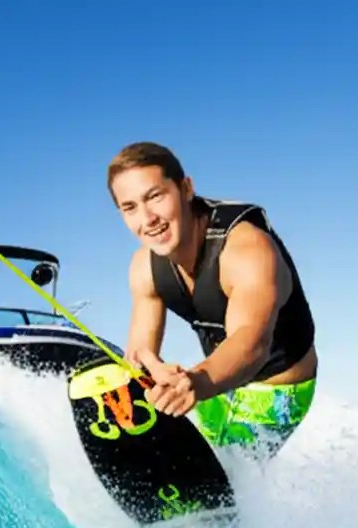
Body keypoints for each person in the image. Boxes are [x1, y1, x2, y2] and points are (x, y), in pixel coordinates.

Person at [107, 141, 318, 456]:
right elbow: (140, 351)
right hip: (213, 384)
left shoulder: (246, 249)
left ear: (186, 188)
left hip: (277, 389)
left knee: (228, 469)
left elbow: (251, 344)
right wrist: (152, 368)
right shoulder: (144, 267)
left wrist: (197, 381)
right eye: (130, 207)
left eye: (155, 196)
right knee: (180, 453)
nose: (147, 218)